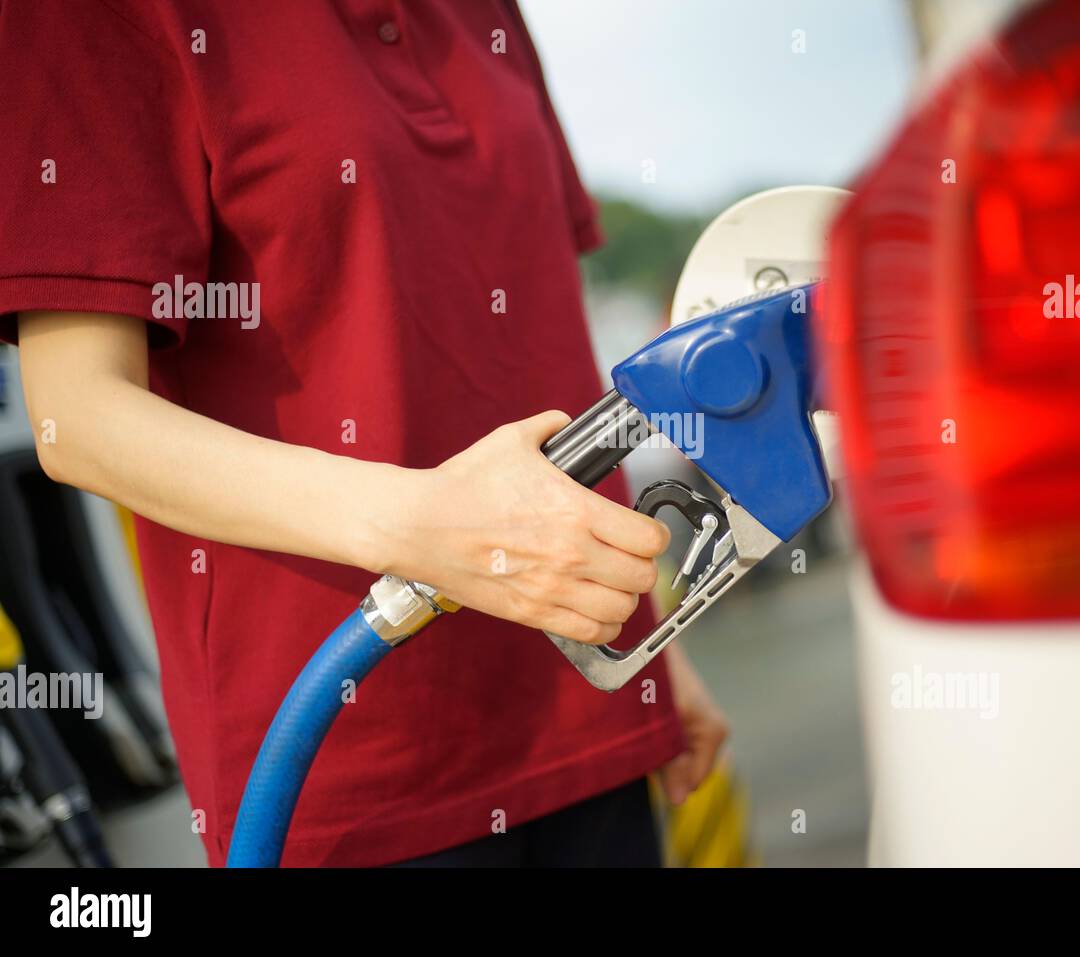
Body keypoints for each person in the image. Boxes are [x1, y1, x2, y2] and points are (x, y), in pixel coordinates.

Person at [0, 0, 728, 867]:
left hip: (585, 702)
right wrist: (429, 527)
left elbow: (542, 331)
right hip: (337, 761)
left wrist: (652, 642)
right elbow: (76, 418)